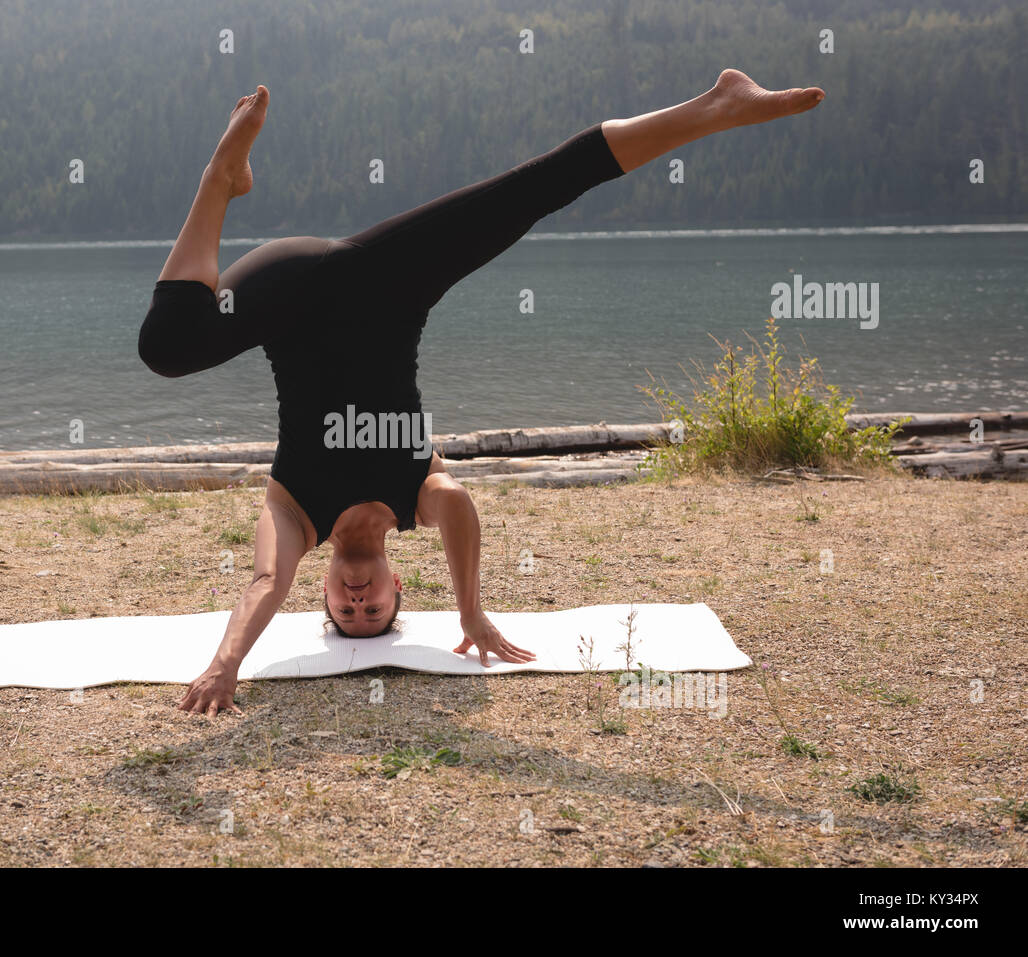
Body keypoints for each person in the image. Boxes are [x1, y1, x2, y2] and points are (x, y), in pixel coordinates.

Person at [139, 70, 825, 716]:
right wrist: (469, 610)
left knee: (166, 346)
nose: (357, 602)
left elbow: (264, 583)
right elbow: (460, 506)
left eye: (345, 612)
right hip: (389, 282)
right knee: (539, 188)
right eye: (374, 611)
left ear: (320, 591)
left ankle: (219, 179)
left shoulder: (295, 514)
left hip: (294, 289)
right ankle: (717, 105)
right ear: (397, 584)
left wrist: (226, 664)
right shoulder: (420, 498)